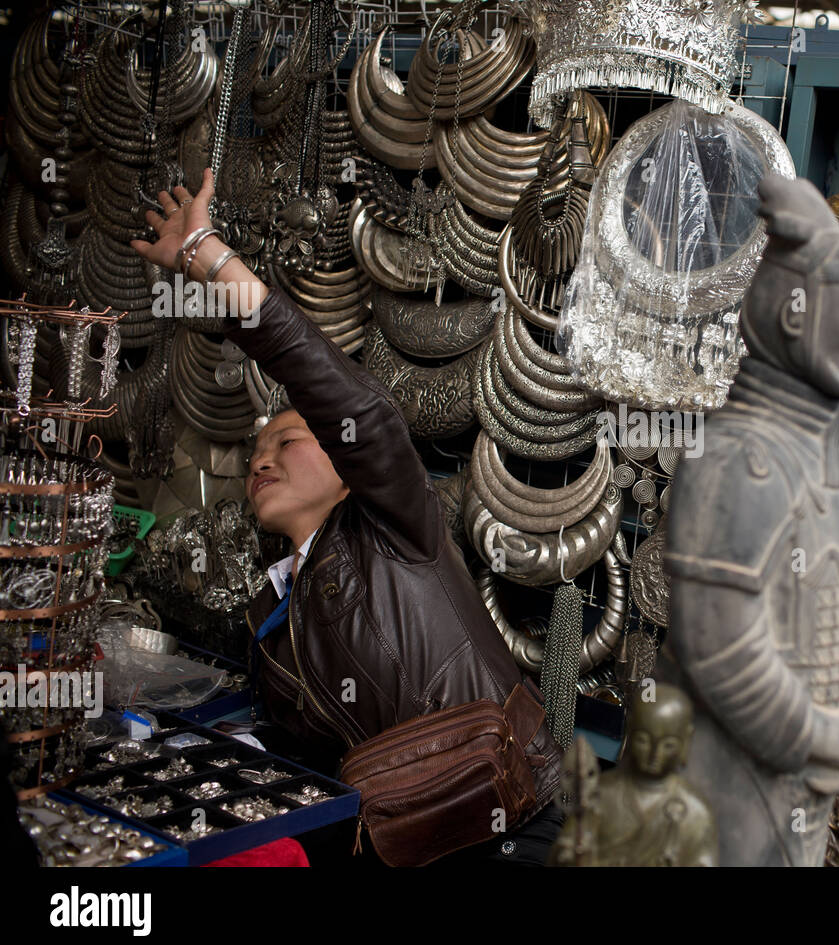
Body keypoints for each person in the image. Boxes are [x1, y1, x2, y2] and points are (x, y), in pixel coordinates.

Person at [130, 169, 563, 864]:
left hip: (499, 818)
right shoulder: (269, 621)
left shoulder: (393, 531)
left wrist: (211, 259)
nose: (262, 460)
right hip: (404, 841)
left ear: (343, 464)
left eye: (288, 441)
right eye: (256, 452)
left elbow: (341, 397)